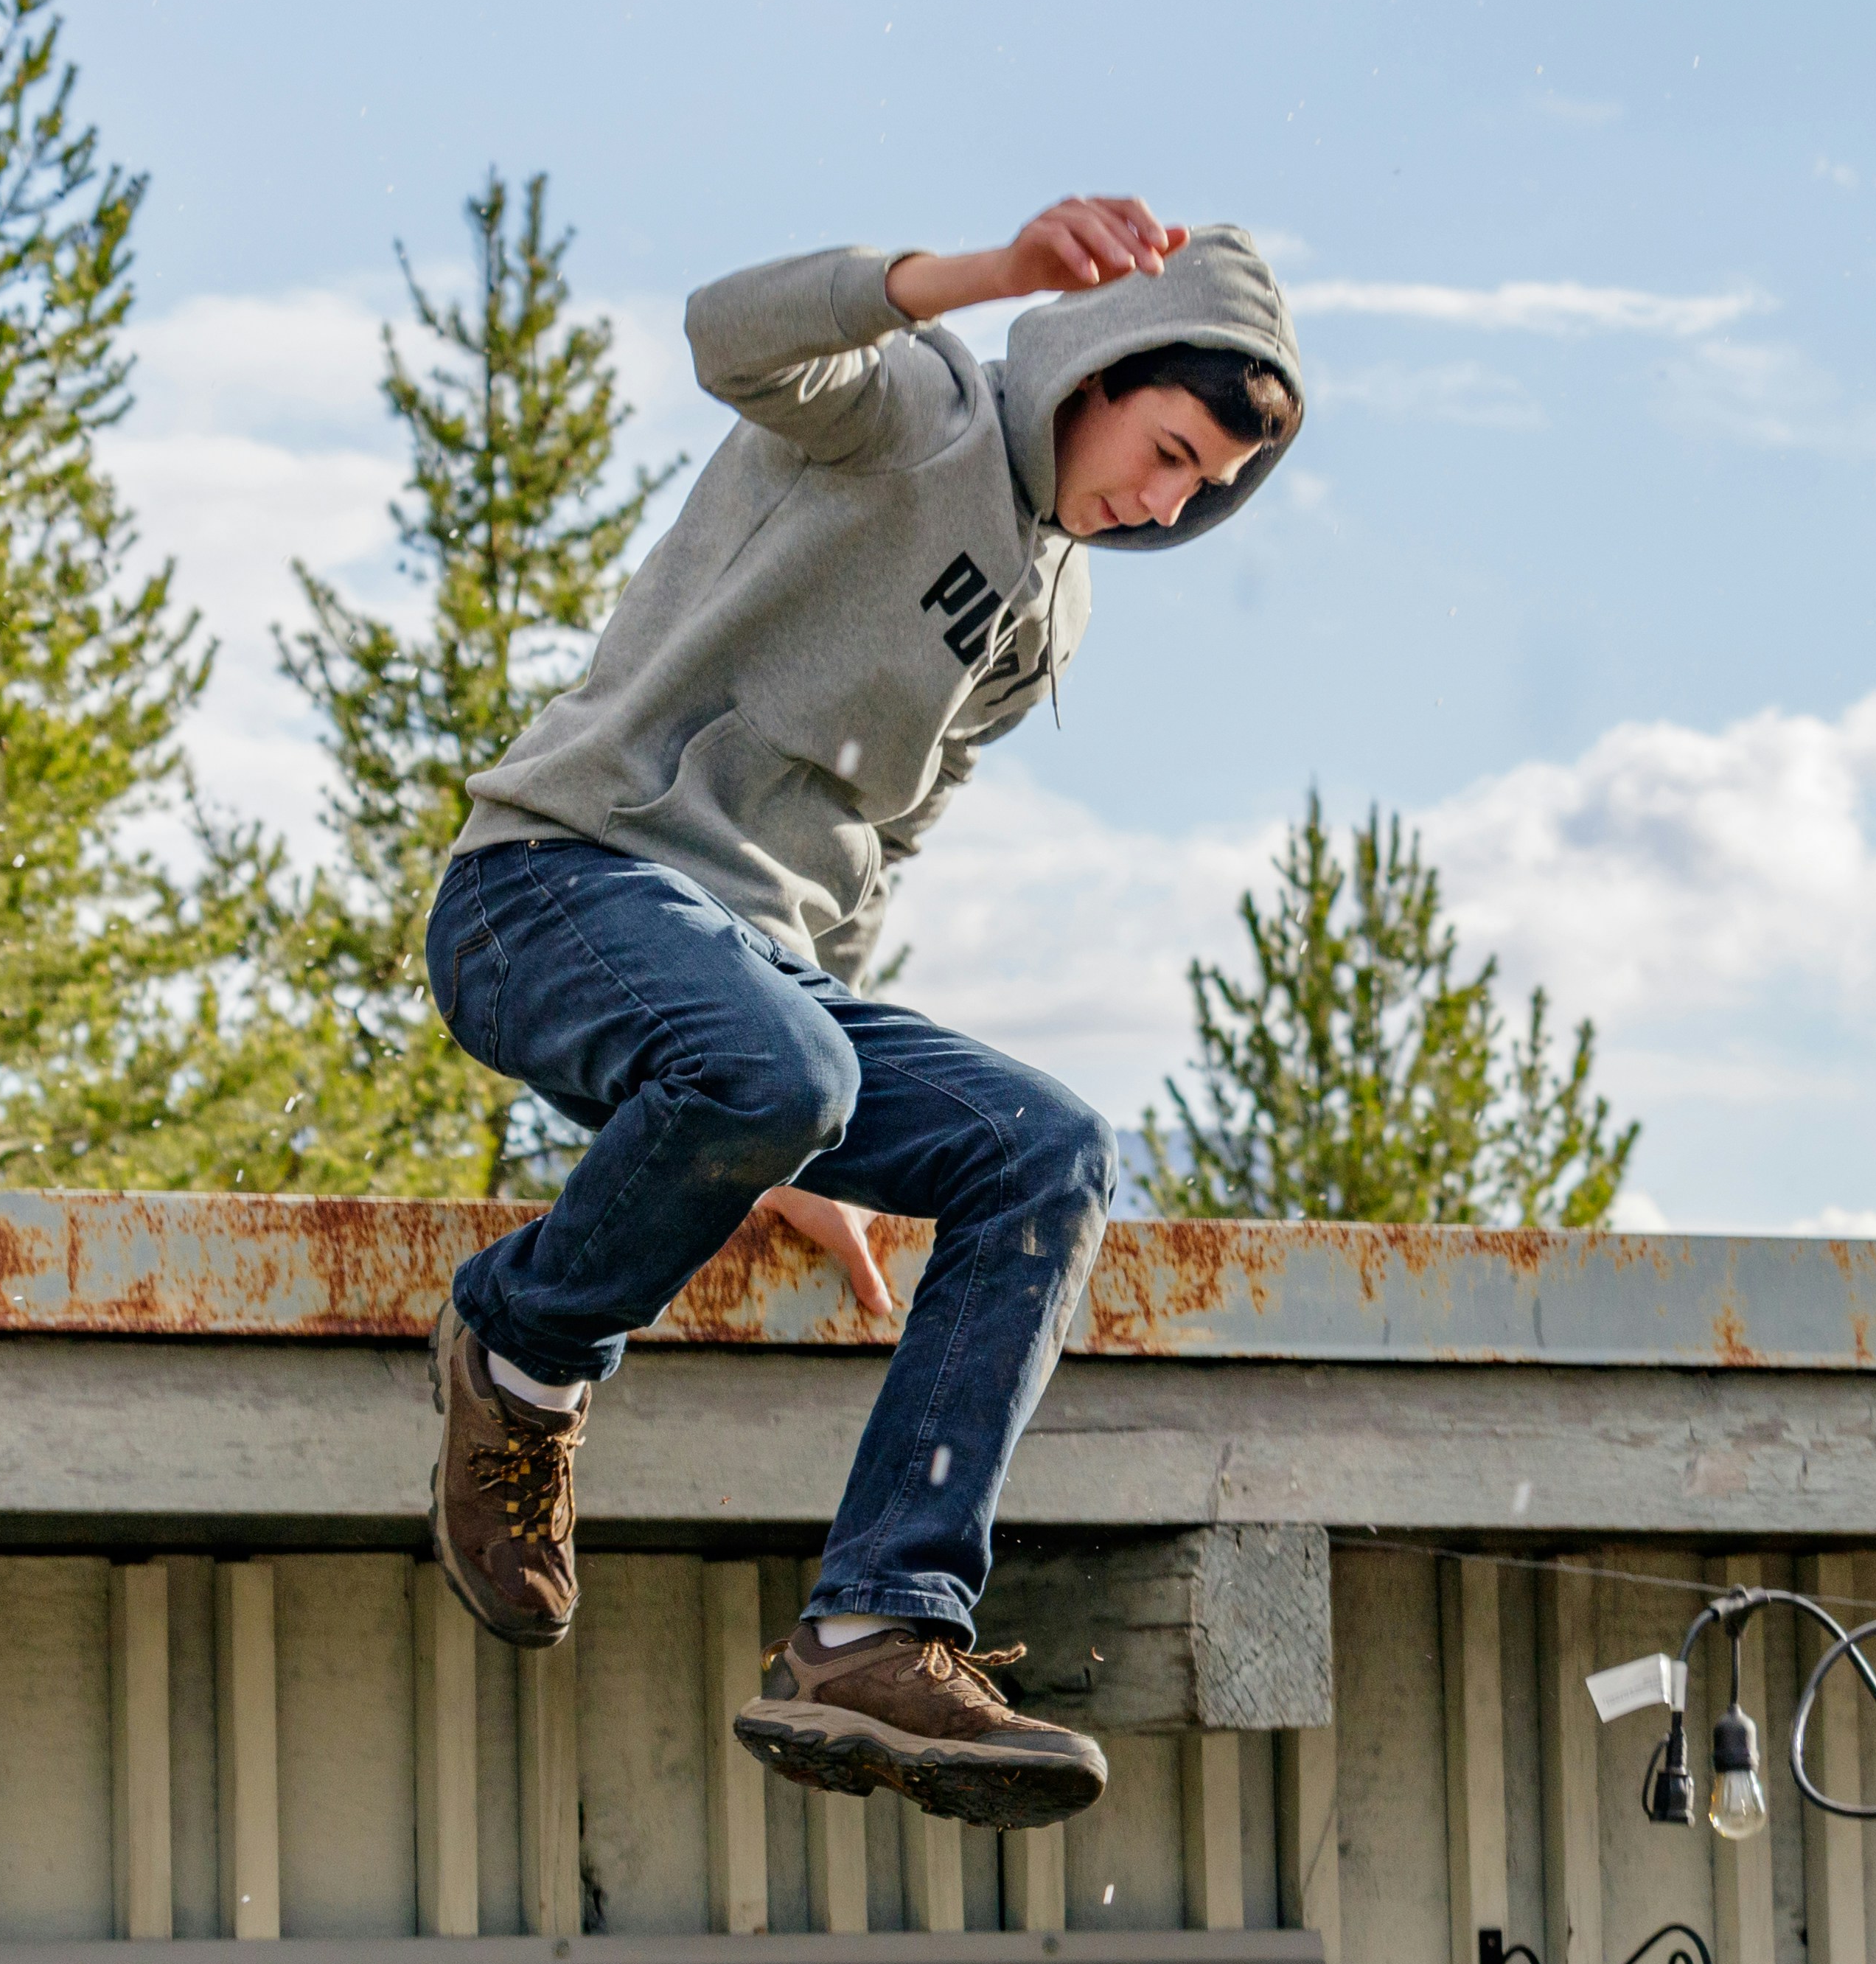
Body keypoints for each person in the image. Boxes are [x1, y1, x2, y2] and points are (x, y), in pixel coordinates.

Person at [417, 198, 1305, 1829]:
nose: (1166, 501)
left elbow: (884, 839)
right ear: (1100, 363)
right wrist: (983, 278)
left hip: (760, 987)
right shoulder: (913, 407)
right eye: (1167, 445)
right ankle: (525, 1354)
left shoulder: (1052, 612)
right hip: (551, 886)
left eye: (1204, 490)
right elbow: (724, 328)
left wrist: (782, 1124)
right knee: (785, 1062)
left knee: (1046, 1150)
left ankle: (879, 1619)